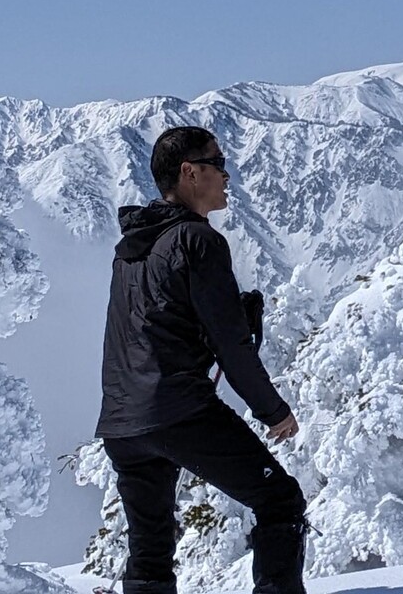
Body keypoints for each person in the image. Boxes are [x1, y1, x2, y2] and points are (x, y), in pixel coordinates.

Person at [96, 126, 307, 594]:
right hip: (178, 411)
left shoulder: (129, 249)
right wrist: (273, 411)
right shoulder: (198, 241)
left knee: (150, 550)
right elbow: (232, 345)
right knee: (280, 501)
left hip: (121, 424)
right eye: (219, 164)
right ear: (190, 173)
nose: (228, 176)